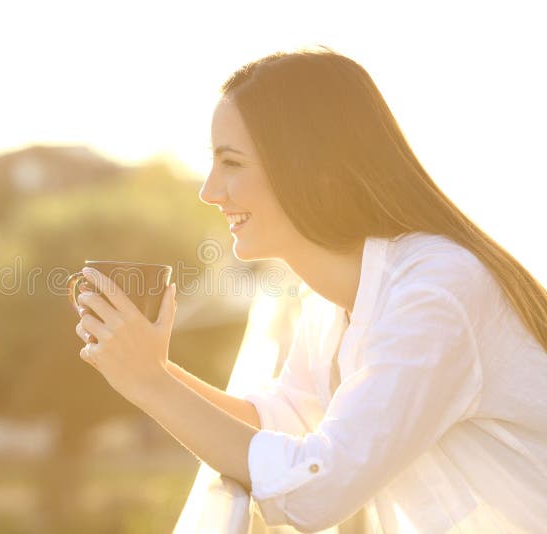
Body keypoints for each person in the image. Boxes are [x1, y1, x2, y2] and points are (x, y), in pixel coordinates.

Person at [73, 45, 547, 533]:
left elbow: (316, 492)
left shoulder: (436, 293)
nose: (209, 191)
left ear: (311, 169)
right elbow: (283, 421)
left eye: (231, 163)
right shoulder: (328, 303)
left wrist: (150, 383)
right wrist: (147, 367)